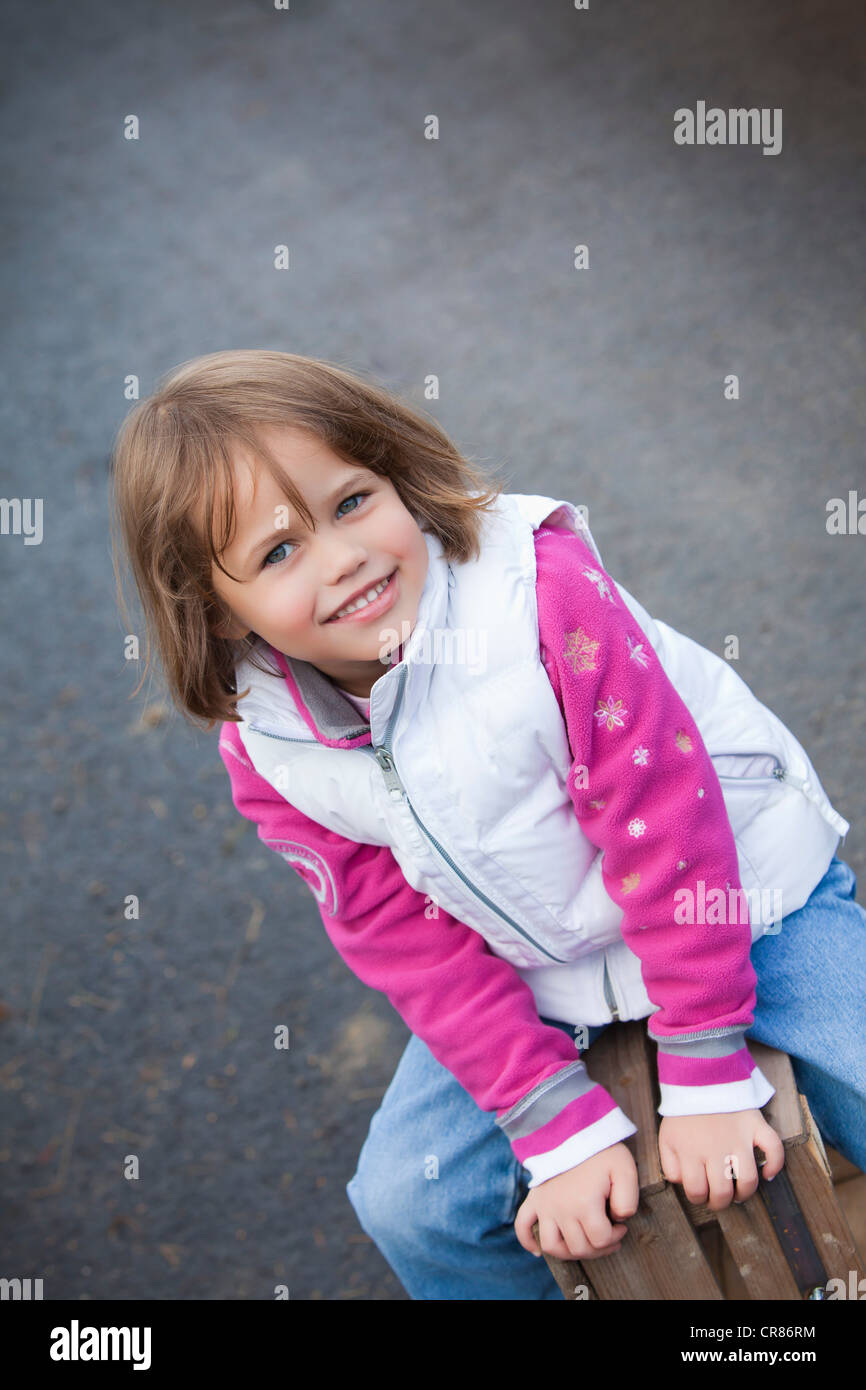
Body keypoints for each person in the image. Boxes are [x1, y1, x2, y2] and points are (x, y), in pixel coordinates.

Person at [109, 349, 866, 1300]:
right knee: (410, 1206)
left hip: (746, 897)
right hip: (535, 962)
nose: (343, 559)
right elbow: (401, 938)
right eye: (277, 552)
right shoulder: (269, 751)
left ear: (395, 471)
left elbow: (670, 832)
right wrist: (549, 1114)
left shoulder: (541, 598)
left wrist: (707, 1066)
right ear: (216, 613)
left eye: (350, 503)